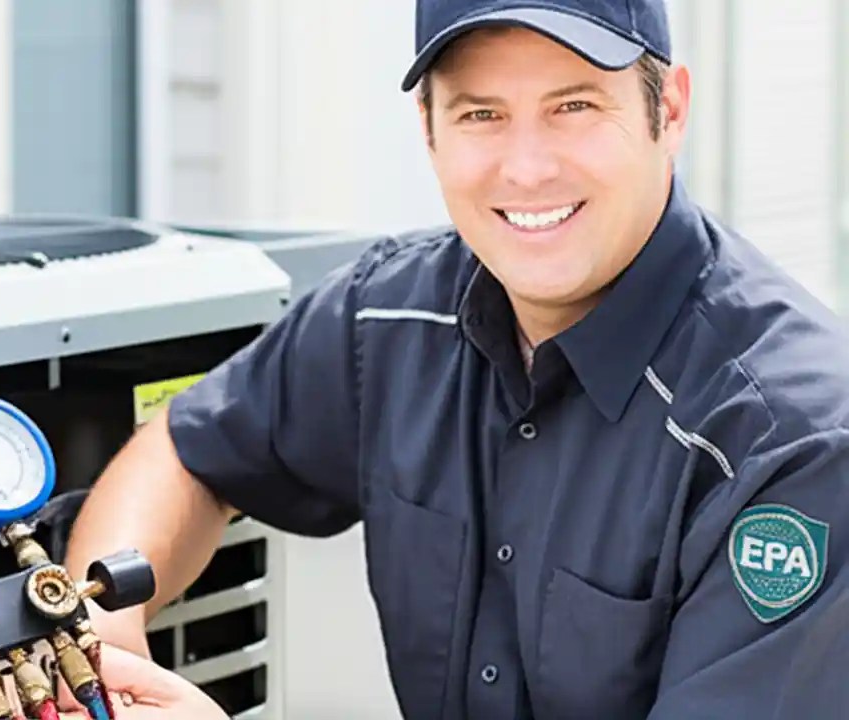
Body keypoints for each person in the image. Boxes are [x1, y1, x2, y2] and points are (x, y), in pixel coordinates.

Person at [63, 0, 849, 717]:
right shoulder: (388, 315)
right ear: (428, 129)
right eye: (482, 114)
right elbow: (186, 451)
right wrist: (102, 639)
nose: (527, 167)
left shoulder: (793, 438)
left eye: (574, 106)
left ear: (667, 110)